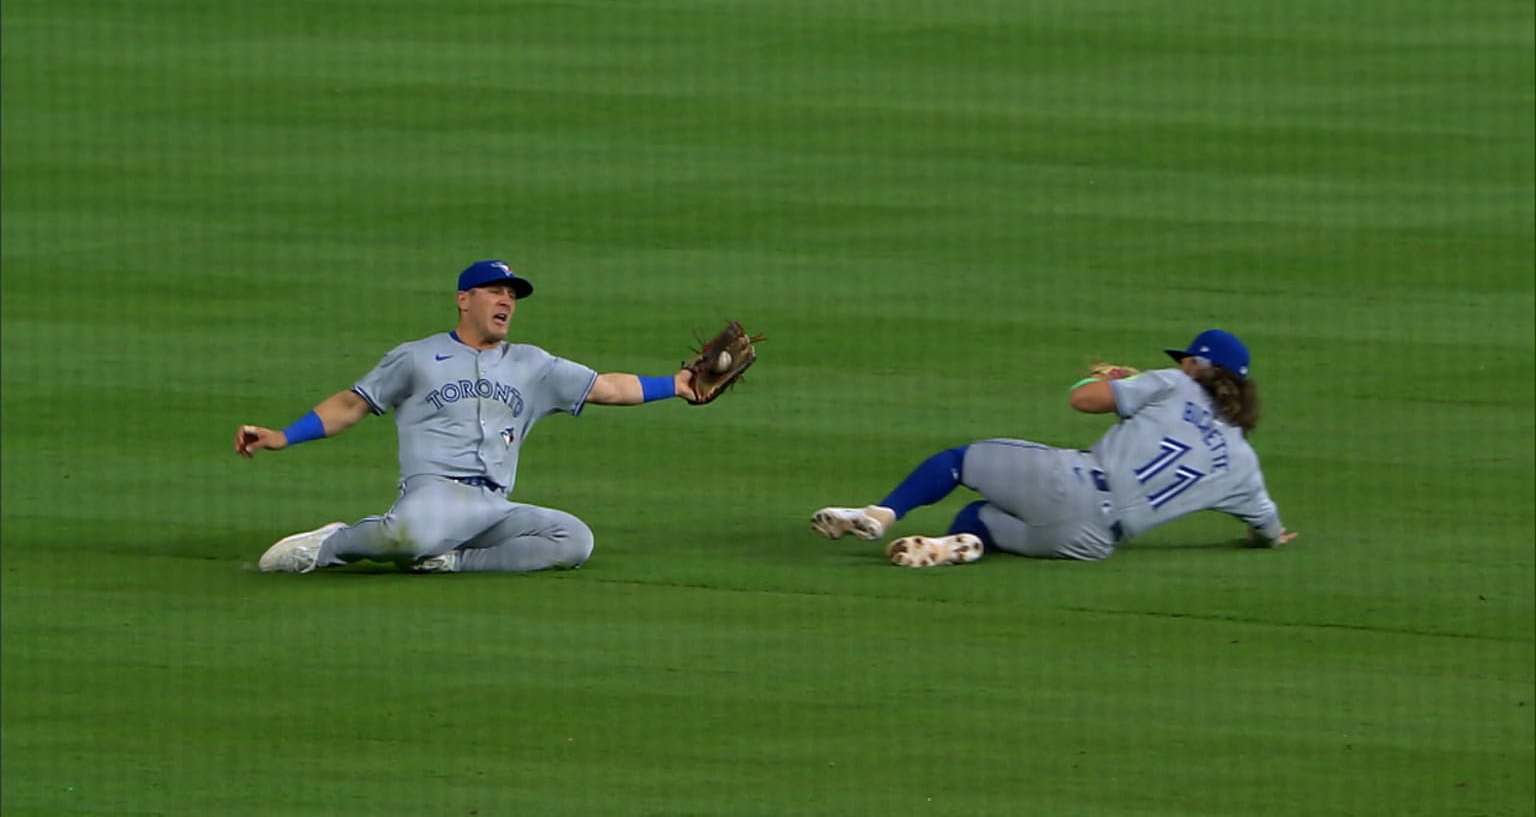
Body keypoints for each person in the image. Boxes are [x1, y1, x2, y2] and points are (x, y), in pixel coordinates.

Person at [235, 259, 701, 574]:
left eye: (512, 296)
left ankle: (450, 562)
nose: (506, 302)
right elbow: (352, 404)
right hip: (432, 493)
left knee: (574, 539)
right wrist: (282, 436)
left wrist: (675, 384)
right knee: (410, 535)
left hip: (493, 506)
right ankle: (329, 546)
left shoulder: (533, 365)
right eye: (495, 292)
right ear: (464, 299)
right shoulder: (417, 357)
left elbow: (607, 387)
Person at [810, 329, 1296, 567]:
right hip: (1090, 543)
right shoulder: (1244, 465)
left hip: (1073, 485)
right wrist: (1269, 539)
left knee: (959, 462)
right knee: (983, 515)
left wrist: (1108, 378)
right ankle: (956, 544)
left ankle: (881, 514)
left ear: (1195, 365)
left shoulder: (1174, 383)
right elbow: (1267, 527)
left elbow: (1083, 400)